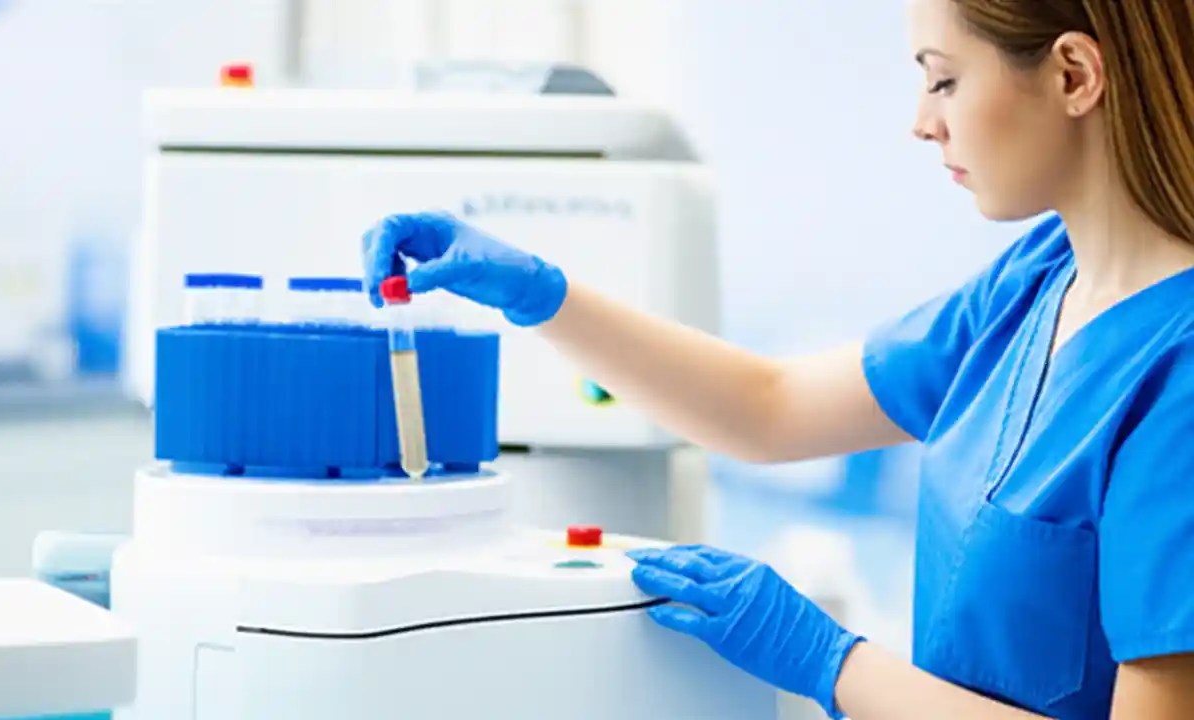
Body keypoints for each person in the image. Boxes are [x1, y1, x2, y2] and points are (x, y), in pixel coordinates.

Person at [360, 0, 1194, 717]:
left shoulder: (1177, 374)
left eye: (943, 79)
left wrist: (832, 662)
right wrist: (540, 295)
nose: (922, 119)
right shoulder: (1039, 279)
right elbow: (771, 407)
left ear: (1075, 75)